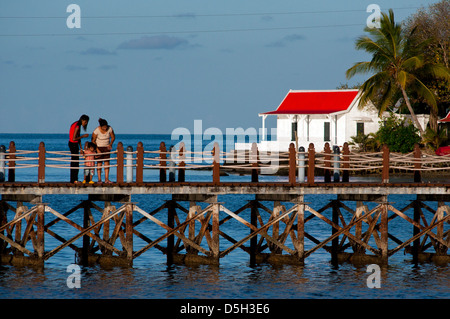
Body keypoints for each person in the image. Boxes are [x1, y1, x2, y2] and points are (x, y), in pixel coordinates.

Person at [92, 118, 115, 183]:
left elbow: (113, 137)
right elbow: (93, 140)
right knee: (99, 163)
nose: (105, 128)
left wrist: (110, 144)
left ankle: (106, 179)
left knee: (107, 163)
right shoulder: (97, 130)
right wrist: (97, 149)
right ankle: (99, 179)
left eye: (106, 127)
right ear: (101, 126)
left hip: (106, 147)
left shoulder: (110, 128)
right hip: (99, 147)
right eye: (104, 127)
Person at [68, 115, 89, 183]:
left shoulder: (77, 124)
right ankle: (74, 179)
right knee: (75, 162)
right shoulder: (77, 126)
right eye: (85, 122)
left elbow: (78, 138)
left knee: (75, 162)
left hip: (74, 144)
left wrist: (81, 149)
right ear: (82, 120)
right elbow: (74, 138)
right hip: (73, 144)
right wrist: (83, 136)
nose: (85, 124)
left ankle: (74, 179)